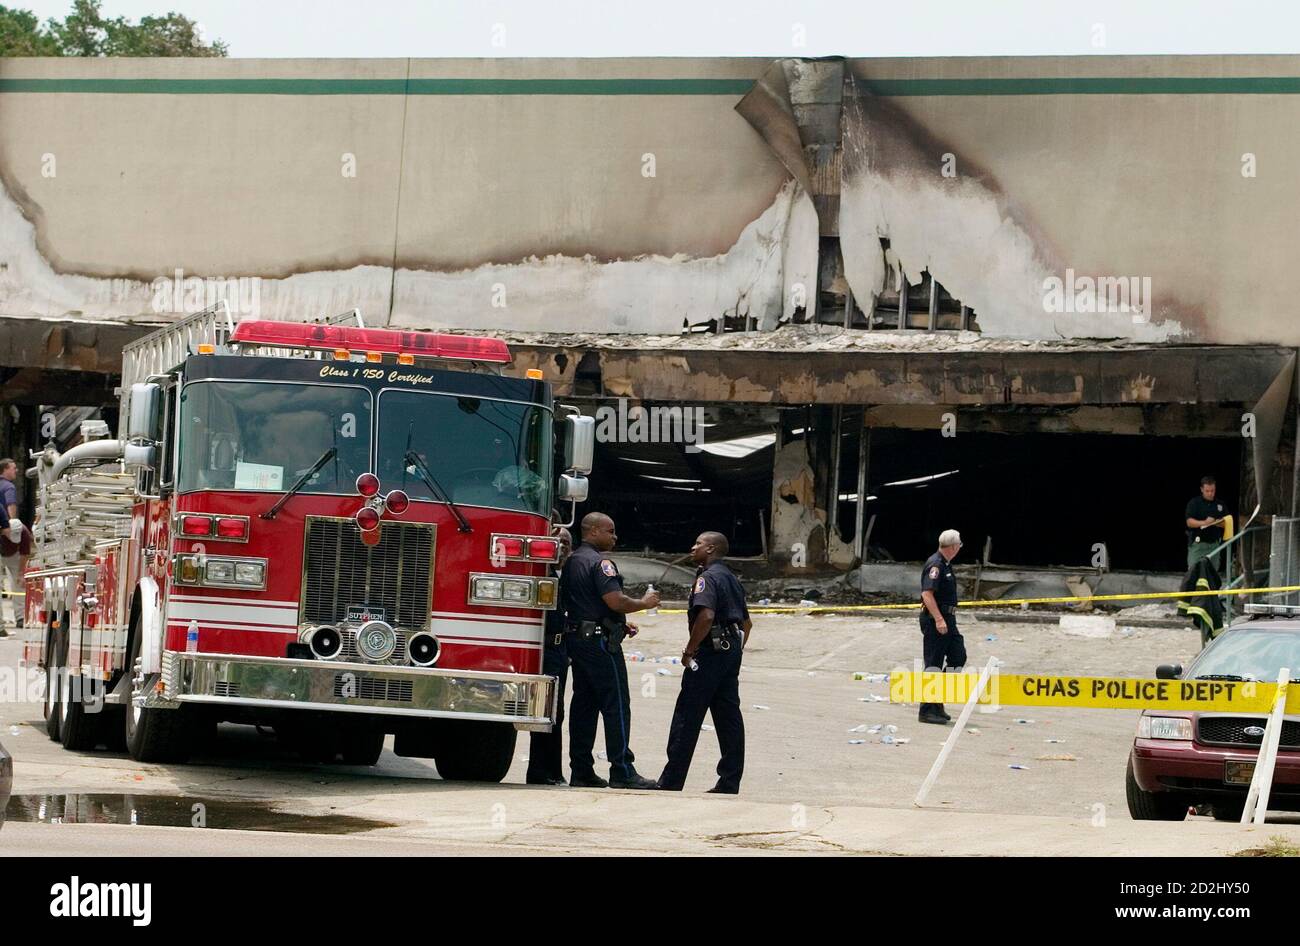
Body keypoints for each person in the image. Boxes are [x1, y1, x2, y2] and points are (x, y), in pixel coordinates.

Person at [562, 512, 659, 789]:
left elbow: (588, 603)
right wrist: (645, 602)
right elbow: (615, 600)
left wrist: (618, 623)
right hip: (600, 645)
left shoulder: (573, 561)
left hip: (579, 640)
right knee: (616, 705)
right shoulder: (601, 563)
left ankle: (581, 770)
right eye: (610, 531)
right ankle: (623, 770)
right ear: (593, 531)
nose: (615, 537)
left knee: (584, 706)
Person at [657, 531, 750, 794]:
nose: (692, 547)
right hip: (730, 652)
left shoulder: (708, 578)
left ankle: (671, 780)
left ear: (710, 549)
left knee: (688, 714)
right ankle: (729, 781)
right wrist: (735, 653)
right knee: (728, 716)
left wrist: (690, 650)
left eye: (698, 543)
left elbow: (706, 616)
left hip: (710, 653)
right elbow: (747, 623)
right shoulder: (731, 578)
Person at [526, 526, 573, 785]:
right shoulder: (541, 572)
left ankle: (553, 771)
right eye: (557, 541)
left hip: (559, 649)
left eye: (566, 542)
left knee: (557, 713)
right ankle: (540, 771)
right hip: (544, 650)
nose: (562, 546)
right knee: (545, 711)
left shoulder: (562, 576)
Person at [918, 529, 966, 725]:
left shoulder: (945, 564)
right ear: (954, 547)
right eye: (959, 545)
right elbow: (927, 594)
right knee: (934, 664)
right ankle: (927, 709)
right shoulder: (936, 564)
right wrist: (938, 619)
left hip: (949, 619)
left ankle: (937, 698)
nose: (959, 548)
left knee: (958, 657)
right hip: (936, 620)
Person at [1185, 476, 1229, 569]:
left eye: (1212, 491)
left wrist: (1216, 522)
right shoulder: (1194, 503)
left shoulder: (1220, 504)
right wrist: (1205, 522)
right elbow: (1189, 522)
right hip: (1198, 544)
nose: (1210, 493)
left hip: (1214, 544)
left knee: (1212, 574)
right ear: (1201, 489)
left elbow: (1227, 522)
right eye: (1207, 491)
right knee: (1194, 572)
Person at [0, 459, 23, 636]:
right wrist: (12, 526)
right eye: (13, 468)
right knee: (16, 578)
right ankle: (20, 617)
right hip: (7, 538)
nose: (16, 470)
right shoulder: (9, 487)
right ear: (5, 469)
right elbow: (11, 506)